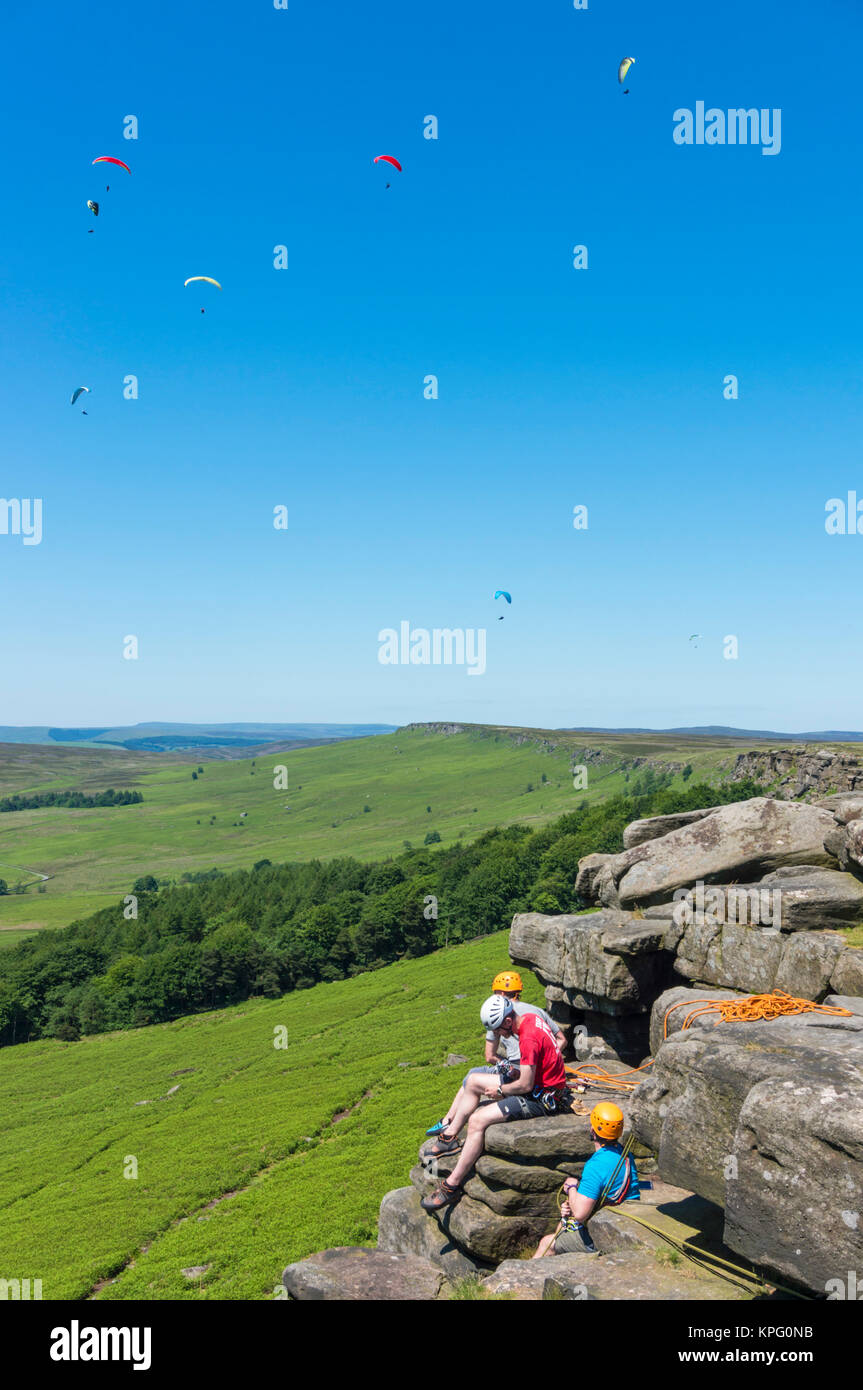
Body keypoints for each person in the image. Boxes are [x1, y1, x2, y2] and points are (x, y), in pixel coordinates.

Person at [420, 996, 570, 1212]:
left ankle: (451, 1185)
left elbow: (526, 1085)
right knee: (472, 1082)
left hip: (542, 1098)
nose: (499, 1034)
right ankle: (449, 1137)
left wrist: (500, 1091)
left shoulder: (528, 1037)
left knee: (478, 1120)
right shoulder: (529, 1018)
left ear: (508, 1022)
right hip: (539, 1084)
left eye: (499, 1029)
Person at [425, 971, 564, 1138]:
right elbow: (560, 1039)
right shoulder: (534, 1012)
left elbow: (489, 1056)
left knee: (472, 1077)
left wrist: (505, 1070)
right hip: (539, 1069)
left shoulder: (497, 1015)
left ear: (501, 994)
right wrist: (546, 1060)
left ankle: (448, 1121)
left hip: (519, 1070)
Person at [531, 1101, 640, 1256]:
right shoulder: (625, 1153)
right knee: (564, 1223)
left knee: (547, 1243)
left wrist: (571, 1188)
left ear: (592, 1130)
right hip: (626, 1222)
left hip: (606, 1235)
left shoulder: (596, 1166)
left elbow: (580, 1214)